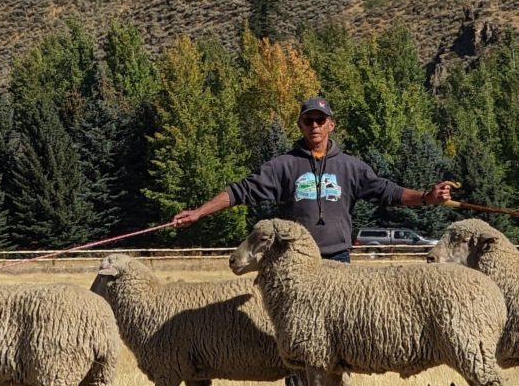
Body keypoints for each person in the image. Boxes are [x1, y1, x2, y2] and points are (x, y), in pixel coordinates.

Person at [172, 95, 455, 262]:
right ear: (300, 125)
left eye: (321, 120)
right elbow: (240, 192)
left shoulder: (350, 167)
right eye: (309, 120)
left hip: (338, 258)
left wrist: (427, 197)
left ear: (331, 124)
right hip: (294, 258)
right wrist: (199, 213)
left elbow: (388, 192)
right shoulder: (283, 166)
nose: (315, 126)